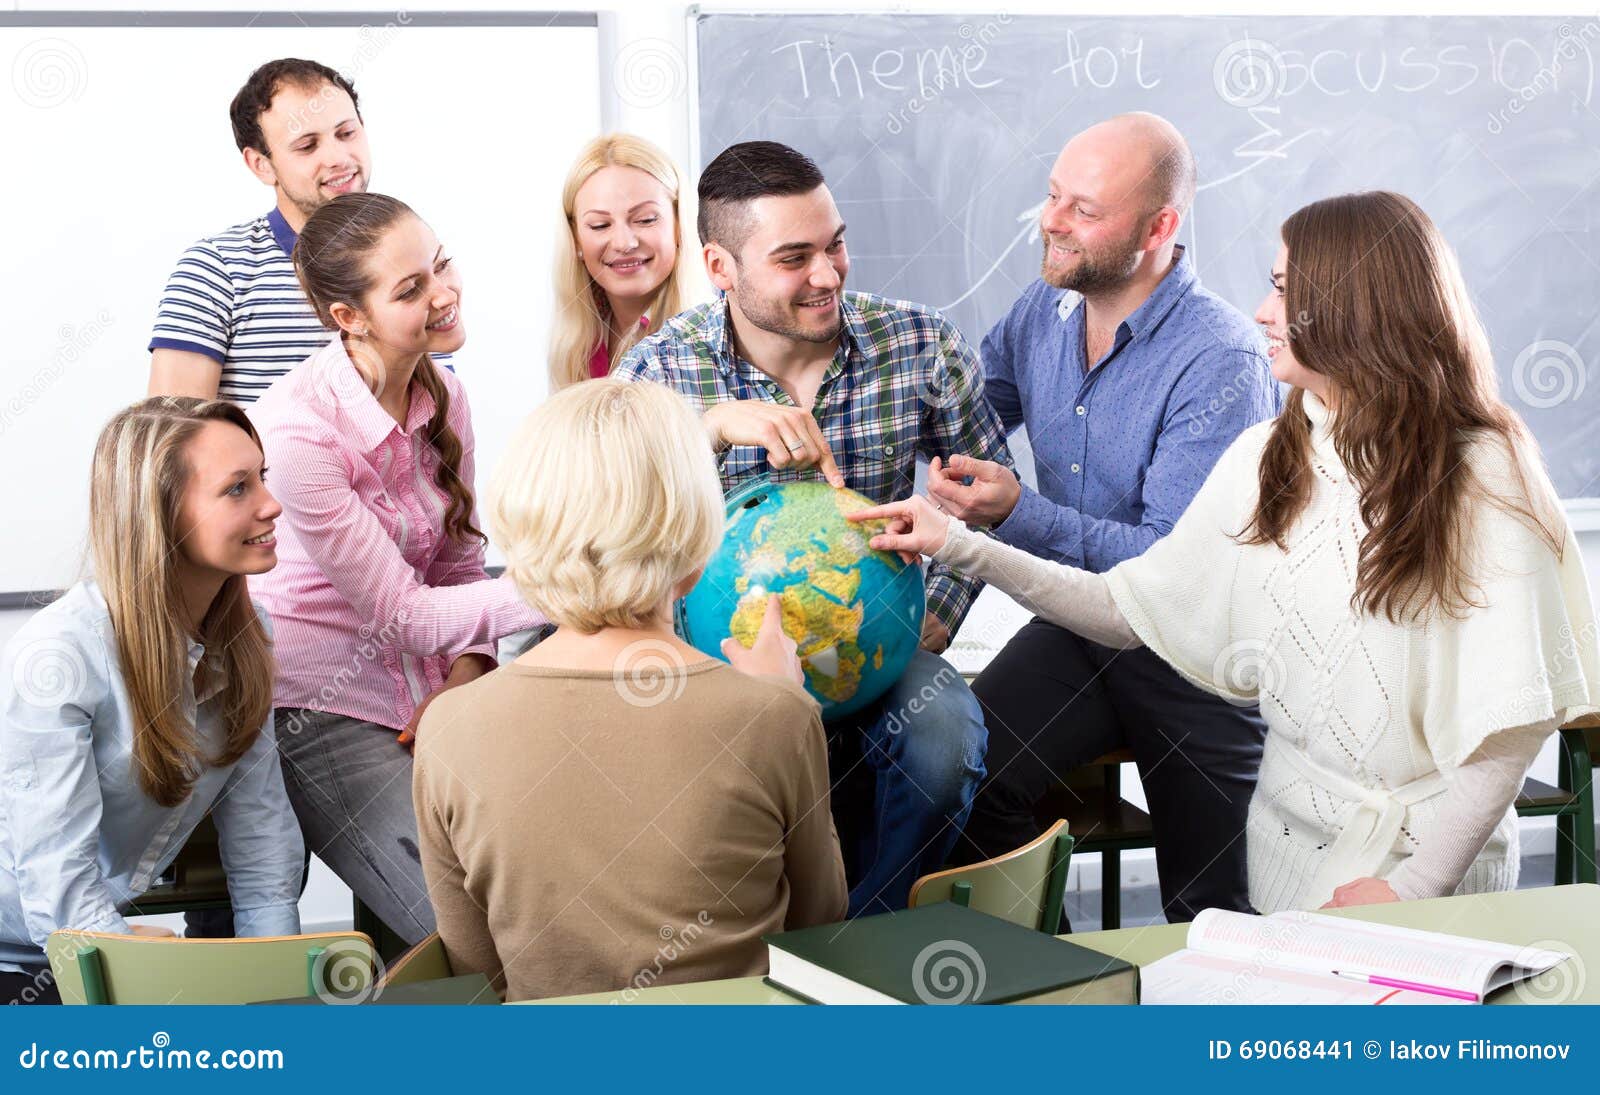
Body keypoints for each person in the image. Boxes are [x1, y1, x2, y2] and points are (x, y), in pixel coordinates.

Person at [856, 190, 1600, 913]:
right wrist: (959, 545)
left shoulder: (1485, 473)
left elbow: (1510, 729)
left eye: (1285, 291)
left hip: (1421, 877)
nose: (1264, 312)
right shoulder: (1269, 456)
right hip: (1288, 857)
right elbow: (1127, 608)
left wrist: (1412, 891)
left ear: (1354, 308)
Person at [615, 140, 1012, 916]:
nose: (828, 274)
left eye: (835, 245)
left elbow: (986, 507)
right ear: (720, 266)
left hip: (877, 651)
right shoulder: (658, 372)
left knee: (944, 739)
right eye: (794, 258)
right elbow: (609, 525)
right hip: (713, 665)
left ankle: (864, 936)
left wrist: (936, 614)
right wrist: (707, 429)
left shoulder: (920, 344)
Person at [930, 113, 1280, 921]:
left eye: (1083, 210)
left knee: (1213, 907)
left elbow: (1165, 563)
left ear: (1159, 228)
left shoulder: (1220, 357)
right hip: (1082, 627)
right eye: (1053, 195)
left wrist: (1016, 512)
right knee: (962, 779)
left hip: (1193, 652)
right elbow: (963, 422)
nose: (1052, 221)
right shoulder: (1042, 310)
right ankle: (1052, 975)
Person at [415, 378, 846, 1001]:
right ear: (696, 542)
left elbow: (476, 971)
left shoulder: (447, 724)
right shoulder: (777, 716)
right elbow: (819, 925)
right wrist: (781, 700)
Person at [248, 192, 544, 944]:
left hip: (433, 689)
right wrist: (567, 587)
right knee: (468, 931)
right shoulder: (297, 431)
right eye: (411, 289)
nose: (443, 293)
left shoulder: (444, 393)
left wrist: (469, 669)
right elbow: (403, 615)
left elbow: (460, 563)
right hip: (320, 707)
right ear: (349, 316)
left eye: (440, 265)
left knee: (539, 884)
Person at [0, 398, 303, 1004]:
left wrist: (285, 995)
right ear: (160, 515)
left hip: (100, 935)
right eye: (237, 488)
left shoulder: (249, 638)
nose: (271, 504)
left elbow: (262, 843)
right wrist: (158, 995)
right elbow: (62, 896)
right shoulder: (57, 658)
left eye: (262, 477)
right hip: (26, 953)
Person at [148, 59, 377, 403]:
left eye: (346, 133)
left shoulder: (410, 257)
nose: (337, 157)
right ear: (261, 165)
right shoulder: (216, 270)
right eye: (307, 146)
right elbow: (173, 430)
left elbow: (437, 413)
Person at [549, 133, 689, 388]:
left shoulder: (722, 334)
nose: (624, 243)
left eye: (646, 220)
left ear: (679, 225)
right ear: (575, 238)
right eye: (600, 225)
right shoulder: (579, 342)